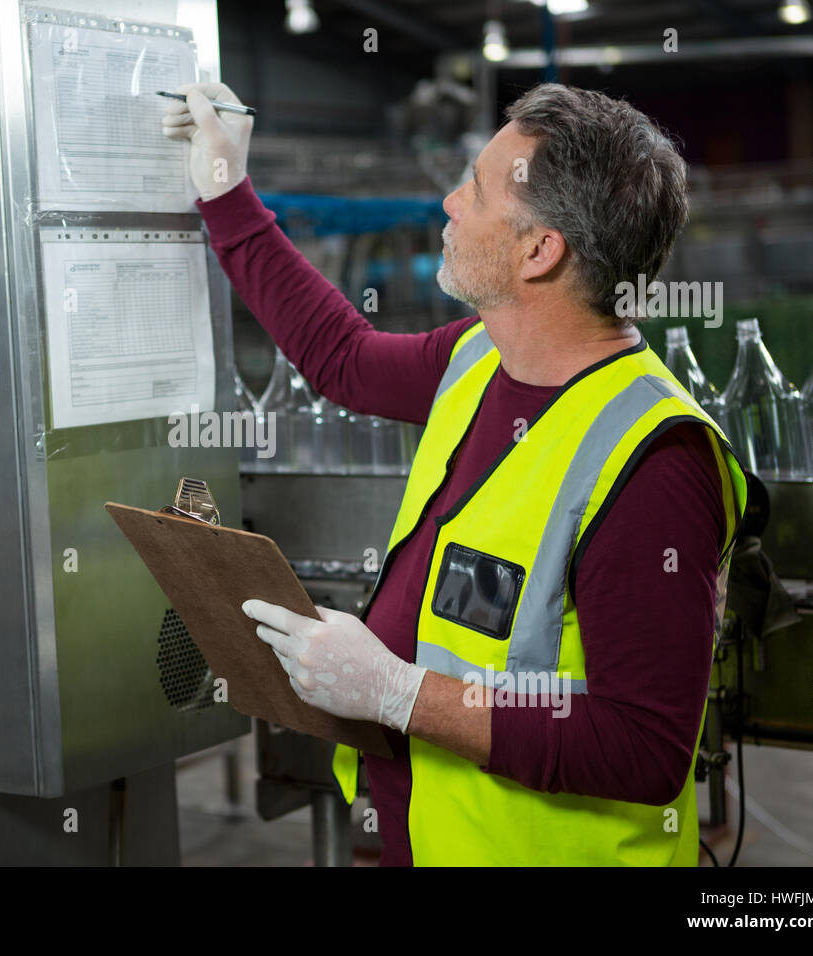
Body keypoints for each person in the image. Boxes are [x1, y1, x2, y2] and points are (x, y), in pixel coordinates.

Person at [162, 81, 746, 866]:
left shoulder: (654, 463)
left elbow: (643, 748)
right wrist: (227, 194)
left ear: (541, 250)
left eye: (473, 189)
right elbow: (343, 359)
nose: (447, 203)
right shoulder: (477, 359)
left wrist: (399, 694)